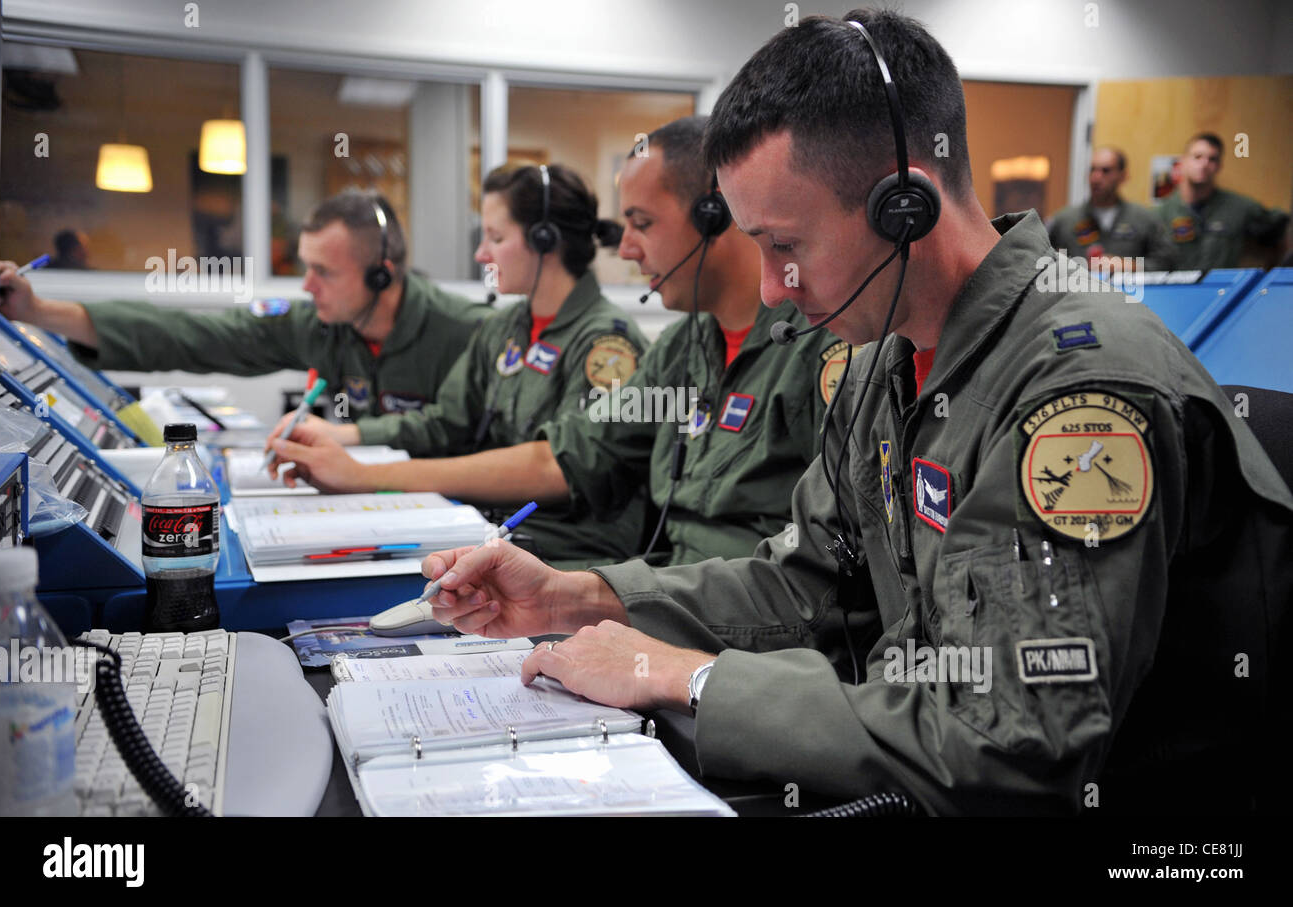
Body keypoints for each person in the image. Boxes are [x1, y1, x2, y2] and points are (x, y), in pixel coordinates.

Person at [415, 10, 1292, 815]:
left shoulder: (1082, 401)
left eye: (786, 246)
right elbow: (808, 581)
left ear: (903, 206)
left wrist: (685, 676)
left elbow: (1012, 741)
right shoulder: (884, 365)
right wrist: (580, 596)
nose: (771, 290)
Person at [266, 117, 839, 565]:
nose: (628, 248)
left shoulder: (820, 349)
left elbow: (558, 469)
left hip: (655, 590)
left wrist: (365, 474)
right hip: (662, 590)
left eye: (641, 222)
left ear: (716, 216)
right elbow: (554, 446)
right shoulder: (681, 349)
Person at [271, 163, 653, 567]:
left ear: (545, 240)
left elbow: (554, 468)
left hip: (565, 555)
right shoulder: (505, 328)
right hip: (489, 529)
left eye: (496, 237)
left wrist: (362, 476)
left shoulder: (608, 345)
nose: (481, 253)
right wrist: (344, 434)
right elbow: (445, 423)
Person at [0, 191, 489, 422]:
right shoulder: (322, 325)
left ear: (382, 273)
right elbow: (195, 336)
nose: (308, 286)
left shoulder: (469, 333)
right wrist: (36, 311)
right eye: (306, 267)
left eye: (325, 272)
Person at [1156, 133, 1289, 270]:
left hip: (1223, 289)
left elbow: (1279, 226)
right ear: (1183, 162)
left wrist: (1275, 275)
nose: (1204, 164)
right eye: (1197, 157)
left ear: (1219, 166)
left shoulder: (1238, 208)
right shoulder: (1161, 214)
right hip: (1176, 289)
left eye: (1212, 159)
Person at [1047, 147, 1175, 271]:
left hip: (1129, 291)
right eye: (1092, 170)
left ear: (1123, 176)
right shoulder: (1064, 220)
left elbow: (1165, 263)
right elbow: (1041, 262)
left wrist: (1129, 266)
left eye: (1106, 171)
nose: (1096, 178)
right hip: (1078, 290)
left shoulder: (1144, 219)